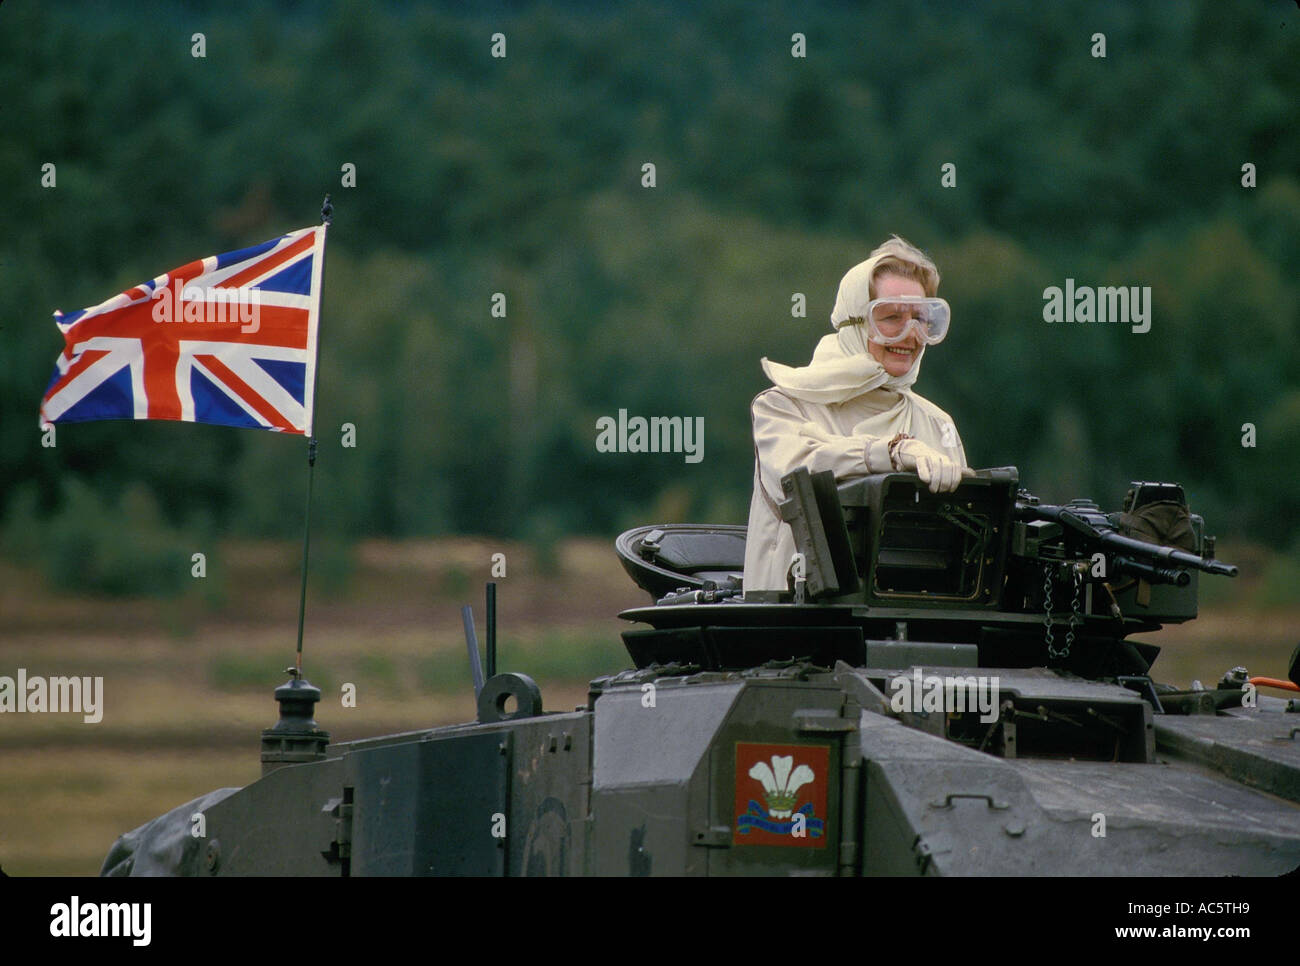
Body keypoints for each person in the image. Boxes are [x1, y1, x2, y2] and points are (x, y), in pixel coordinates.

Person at [742, 236, 972, 594]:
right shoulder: (782, 405)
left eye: (922, 319)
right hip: (787, 629)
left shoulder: (937, 424)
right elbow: (797, 472)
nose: (910, 335)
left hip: (908, 626)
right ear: (855, 323)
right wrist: (893, 452)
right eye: (891, 317)